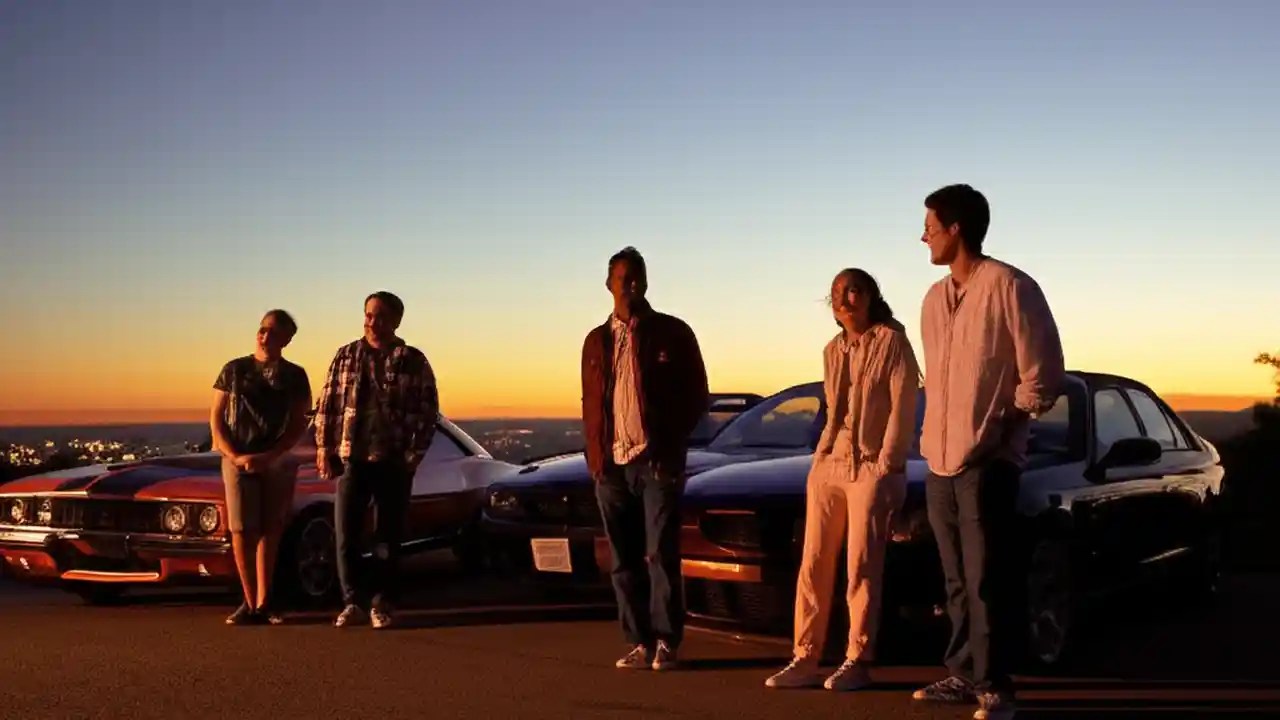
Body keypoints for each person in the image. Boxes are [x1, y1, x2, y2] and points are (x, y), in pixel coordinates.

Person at [912, 184, 1065, 720]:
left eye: (930, 226)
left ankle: (997, 686)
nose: (923, 237)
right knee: (955, 580)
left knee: (987, 580)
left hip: (987, 461)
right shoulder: (933, 299)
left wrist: (999, 429)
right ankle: (963, 673)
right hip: (939, 461)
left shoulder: (1010, 287)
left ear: (956, 229)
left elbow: (1043, 377)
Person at [764, 269, 919, 691]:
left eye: (853, 289)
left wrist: (887, 464)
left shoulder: (892, 342)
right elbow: (835, 410)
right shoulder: (832, 350)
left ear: (870, 296)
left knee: (861, 566)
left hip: (870, 465)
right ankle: (804, 656)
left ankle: (857, 658)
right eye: (837, 292)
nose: (844, 298)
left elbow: (903, 406)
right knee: (813, 562)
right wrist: (820, 458)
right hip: (830, 464)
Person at [581, 246, 708, 671]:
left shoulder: (672, 332)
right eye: (623, 278)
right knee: (623, 561)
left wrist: (668, 445)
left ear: (646, 282)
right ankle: (638, 641)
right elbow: (590, 402)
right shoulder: (595, 341)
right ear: (609, 284)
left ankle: (667, 641)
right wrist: (596, 457)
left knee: (660, 555)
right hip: (611, 466)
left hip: (656, 463)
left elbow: (696, 395)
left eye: (637, 277)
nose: (630, 285)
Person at [315, 291, 439, 630]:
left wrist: (414, 455)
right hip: (352, 457)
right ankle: (352, 602)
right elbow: (327, 404)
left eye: (381, 316)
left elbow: (428, 411)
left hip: (393, 459)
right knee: (346, 534)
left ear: (396, 321)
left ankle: (382, 602)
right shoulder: (346, 355)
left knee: (387, 536)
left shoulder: (412, 360)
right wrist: (324, 448)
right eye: (369, 315)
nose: (373, 322)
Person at [210, 309, 312, 626]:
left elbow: (299, 423)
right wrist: (234, 456)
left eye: (274, 332)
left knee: (271, 528)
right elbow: (216, 418)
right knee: (242, 529)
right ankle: (248, 600)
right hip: (237, 458)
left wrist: (271, 456)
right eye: (263, 329)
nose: (265, 336)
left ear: (287, 340)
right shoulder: (234, 370)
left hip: (277, 461)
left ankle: (266, 601)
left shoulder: (295, 376)